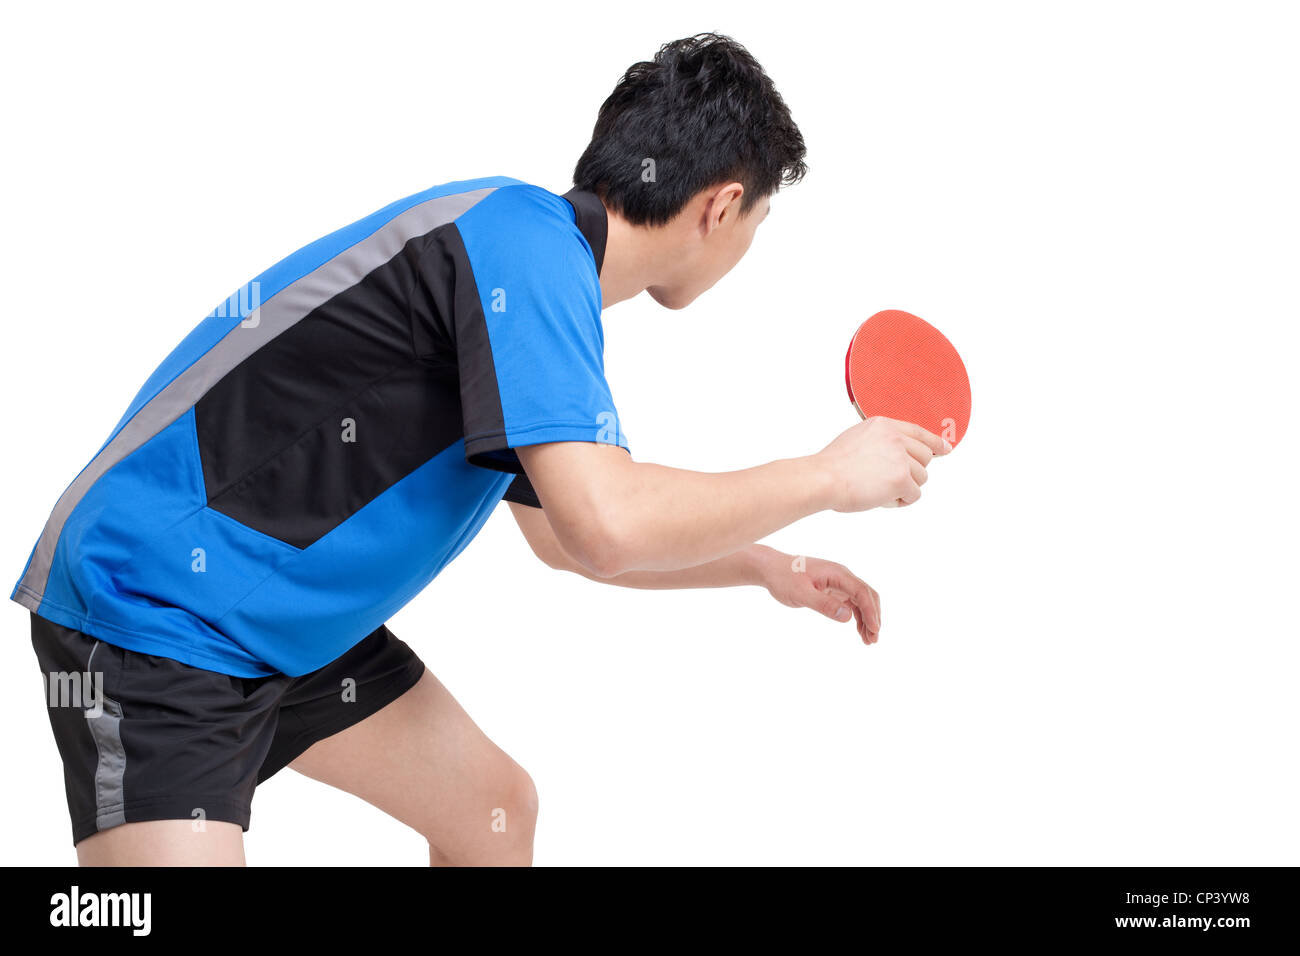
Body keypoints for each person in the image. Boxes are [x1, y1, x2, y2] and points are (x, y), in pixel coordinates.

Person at [14, 33, 948, 866]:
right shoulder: (524, 249)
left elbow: (569, 538)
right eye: (757, 225)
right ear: (722, 205)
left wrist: (769, 568)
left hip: (279, 630)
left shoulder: (532, 273)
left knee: (494, 809)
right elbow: (609, 523)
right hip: (155, 615)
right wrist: (828, 475)